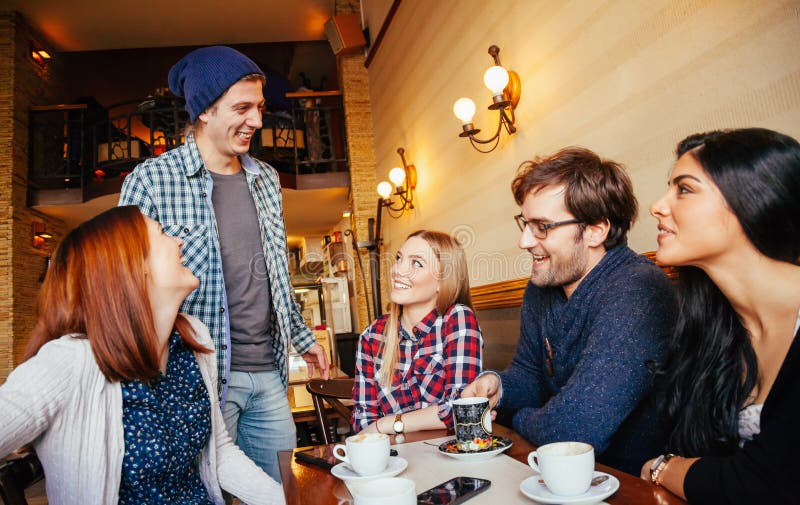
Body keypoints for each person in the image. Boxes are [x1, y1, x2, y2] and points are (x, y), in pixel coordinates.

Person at [119, 46, 329, 482]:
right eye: (242, 108)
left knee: (281, 488)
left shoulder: (266, 180)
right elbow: (127, 284)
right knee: (208, 490)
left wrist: (302, 337)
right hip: (198, 379)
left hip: (268, 374)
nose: (256, 120)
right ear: (205, 112)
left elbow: (273, 274)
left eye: (259, 108)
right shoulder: (152, 181)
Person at [0, 206, 285, 505]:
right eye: (162, 234)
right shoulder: (70, 361)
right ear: (133, 265)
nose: (179, 241)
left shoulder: (194, 339)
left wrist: (285, 500)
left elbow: (220, 451)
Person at [461, 147, 676, 474]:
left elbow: (573, 430)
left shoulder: (638, 288)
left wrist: (514, 416)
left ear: (595, 230)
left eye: (542, 226)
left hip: (630, 485)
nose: (524, 241)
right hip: (560, 477)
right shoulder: (542, 286)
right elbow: (530, 372)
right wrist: (499, 387)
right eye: (525, 223)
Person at [642, 128, 800, 504]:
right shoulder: (715, 326)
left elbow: (764, 485)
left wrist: (665, 467)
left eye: (684, 188)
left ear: (753, 198)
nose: (657, 206)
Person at [352, 230, 483, 438]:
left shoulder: (457, 320)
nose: (397, 270)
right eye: (399, 259)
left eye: (416, 263)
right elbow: (363, 420)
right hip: (390, 459)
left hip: (447, 459)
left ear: (443, 281)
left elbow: (462, 410)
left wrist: (387, 424)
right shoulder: (372, 336)